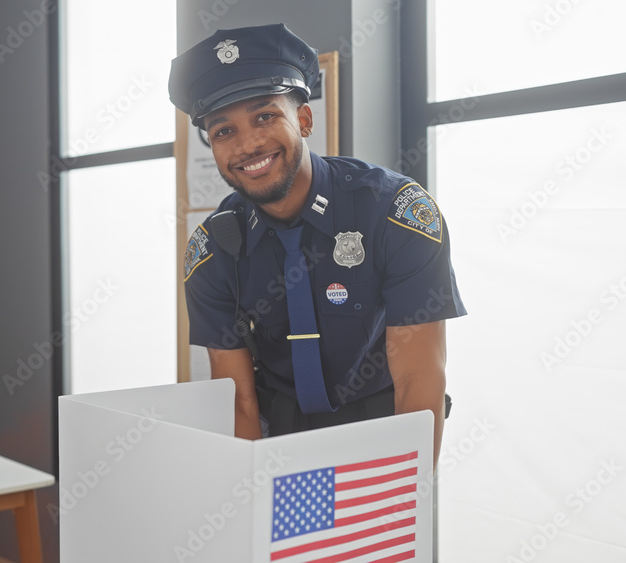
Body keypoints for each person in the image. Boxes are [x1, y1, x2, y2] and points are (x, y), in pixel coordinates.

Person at [169, 23, 466, 467]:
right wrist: (249, 501)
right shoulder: (212, 250)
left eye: (265, 116)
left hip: (384, 428)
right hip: (280, 439)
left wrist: (405, 494)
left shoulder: (393, 211)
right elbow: (241, 403)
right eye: (224, 131)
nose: (248, 144)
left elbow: (419, 378)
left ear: (304, 120)